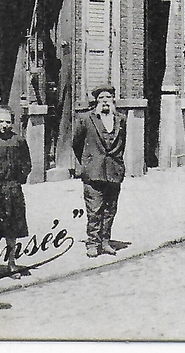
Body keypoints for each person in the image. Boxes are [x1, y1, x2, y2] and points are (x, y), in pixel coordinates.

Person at [72, 84, 128, 258]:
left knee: (110, 209)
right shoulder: (86, 119)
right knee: (94, 209)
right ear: (96, 100)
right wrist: (87, 162)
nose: (105, 101)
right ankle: (93, 243)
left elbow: (122, 144)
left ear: (113, 100)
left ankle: (105, 241)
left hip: (114, 171)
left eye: (108, 97)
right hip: (93, 172)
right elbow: (76, 143)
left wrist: (117, 163)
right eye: (101, 98)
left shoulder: (121, 119)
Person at [0, 106, 32, 277]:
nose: (4, 125)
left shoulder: (18, 141)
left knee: (11, 229)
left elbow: (26, 164)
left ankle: (11, 262)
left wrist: (18, 179)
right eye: (1, 121)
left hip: (12, 190)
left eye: (8, 121)